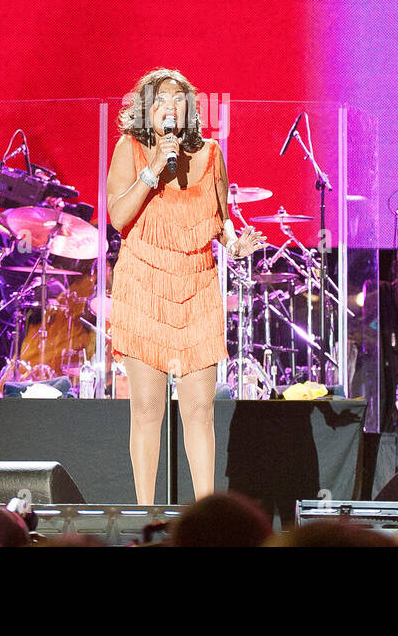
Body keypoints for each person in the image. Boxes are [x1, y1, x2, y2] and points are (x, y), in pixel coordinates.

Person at [106, 69, 265, 504]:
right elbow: (118, 218)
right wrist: (154, 167)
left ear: (190, 109)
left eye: (178, 99)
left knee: (199, 409)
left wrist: (236, 245)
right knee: (148, 409)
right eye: (160, 100)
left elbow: (222, 221)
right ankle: (145, 513)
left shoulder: (212, 153)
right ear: (146, 110)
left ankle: (205, 516)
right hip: (144, 286)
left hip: (197, 286)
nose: (170, 106)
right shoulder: (130, 149)